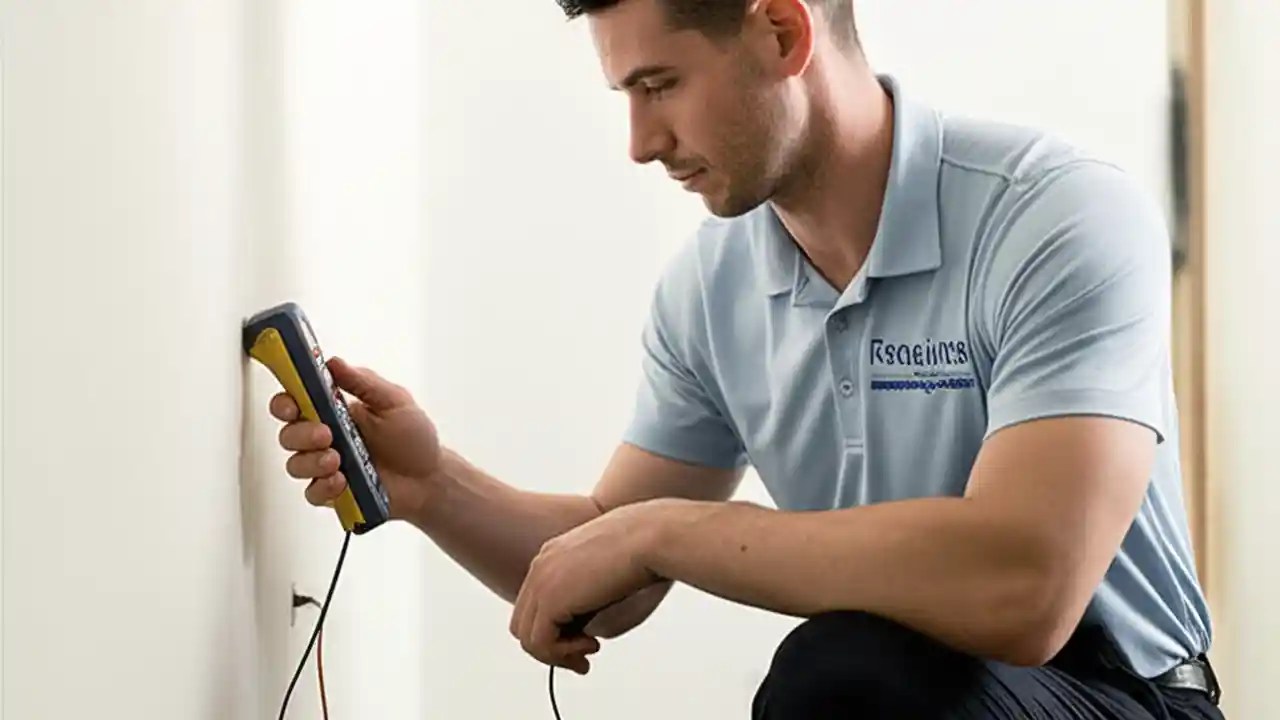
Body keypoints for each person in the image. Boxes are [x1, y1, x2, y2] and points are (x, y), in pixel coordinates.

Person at [268, 0, 1223, 716]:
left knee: (846, 671)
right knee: (857, 670)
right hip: (915, 692)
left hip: (1126, 696)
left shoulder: (1057, 217)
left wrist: (665, 533)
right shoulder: (713, 288)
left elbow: (1028, 589)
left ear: (781, 31)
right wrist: (435, 486)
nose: (641, 145)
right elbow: (613, 551)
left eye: (660, 86)